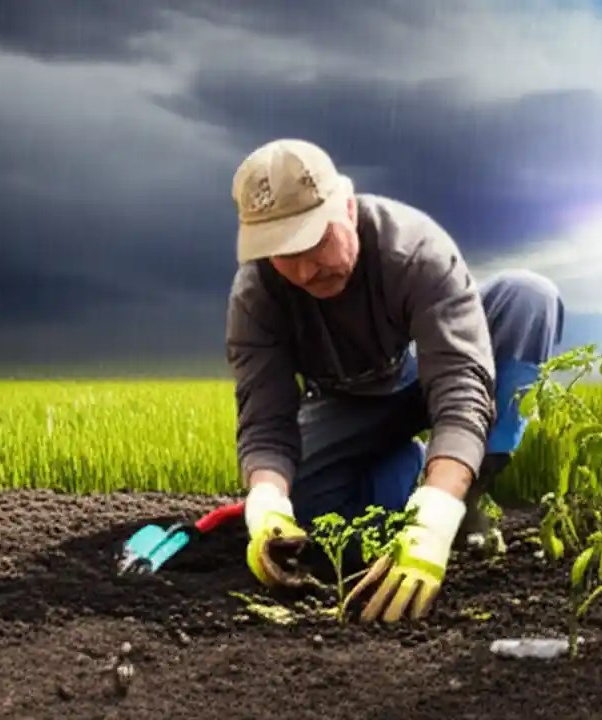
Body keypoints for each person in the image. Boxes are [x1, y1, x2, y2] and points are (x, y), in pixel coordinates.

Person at [224, 138, 564, 623]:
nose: (303, 269)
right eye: (281, 253)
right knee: (302, 515)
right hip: (350, 407)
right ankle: (408, 479)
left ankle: (464, 498)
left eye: (314, 240)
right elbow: (265, 419)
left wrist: (439, 512)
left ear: (346, 204)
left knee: (529, 298)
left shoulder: (413, 250)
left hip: (429, 371)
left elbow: (462, 385)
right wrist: (266, 504)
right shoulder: (257, 296)